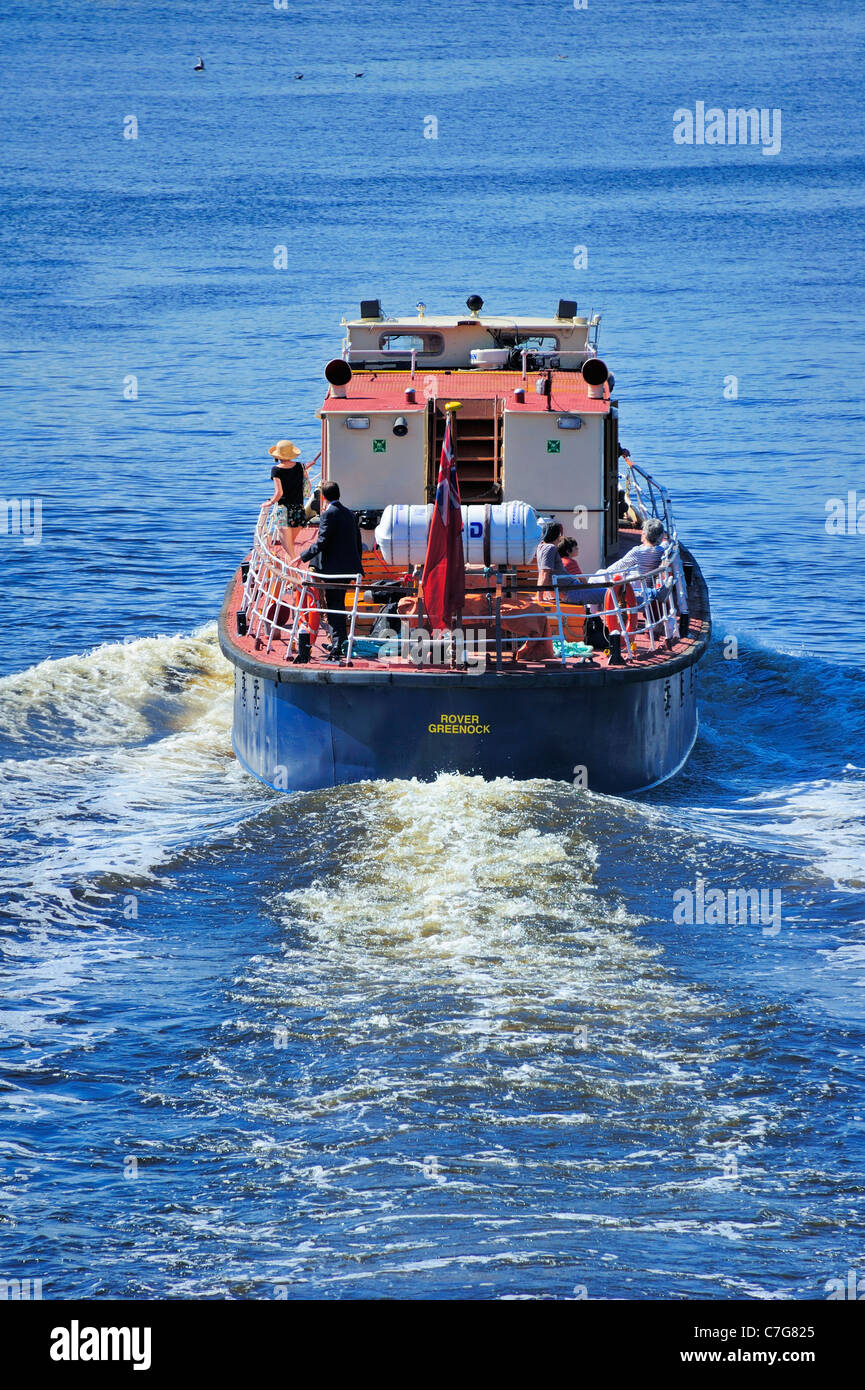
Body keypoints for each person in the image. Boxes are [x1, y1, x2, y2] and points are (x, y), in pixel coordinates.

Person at [299, 481, 364, 659]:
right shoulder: (349, 514)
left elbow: (322, 542)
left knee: (334, 606)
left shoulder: (329, 515)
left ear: (324, 497)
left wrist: (302, 556)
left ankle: (337, 645)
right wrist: (358, 566)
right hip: (348, 568)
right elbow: (357, 543)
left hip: (334, 571)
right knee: (339, 605)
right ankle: (339, 641)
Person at [267, 440, 308, 559]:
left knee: (288, 548)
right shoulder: (300, 466)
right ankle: (291, 570)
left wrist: (270, 502)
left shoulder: (276, 470)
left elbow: (279, 493)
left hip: (283, 509)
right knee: (289, 546)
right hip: (299, 509)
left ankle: (294, 572)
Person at [609, 517, 666, 581]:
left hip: (635, 584)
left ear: (644, 534)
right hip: (648, 583)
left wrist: (605, 571)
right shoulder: (661, 550)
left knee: (601, 573)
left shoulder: (638, 551)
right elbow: (665, 544)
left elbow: (617, 567)